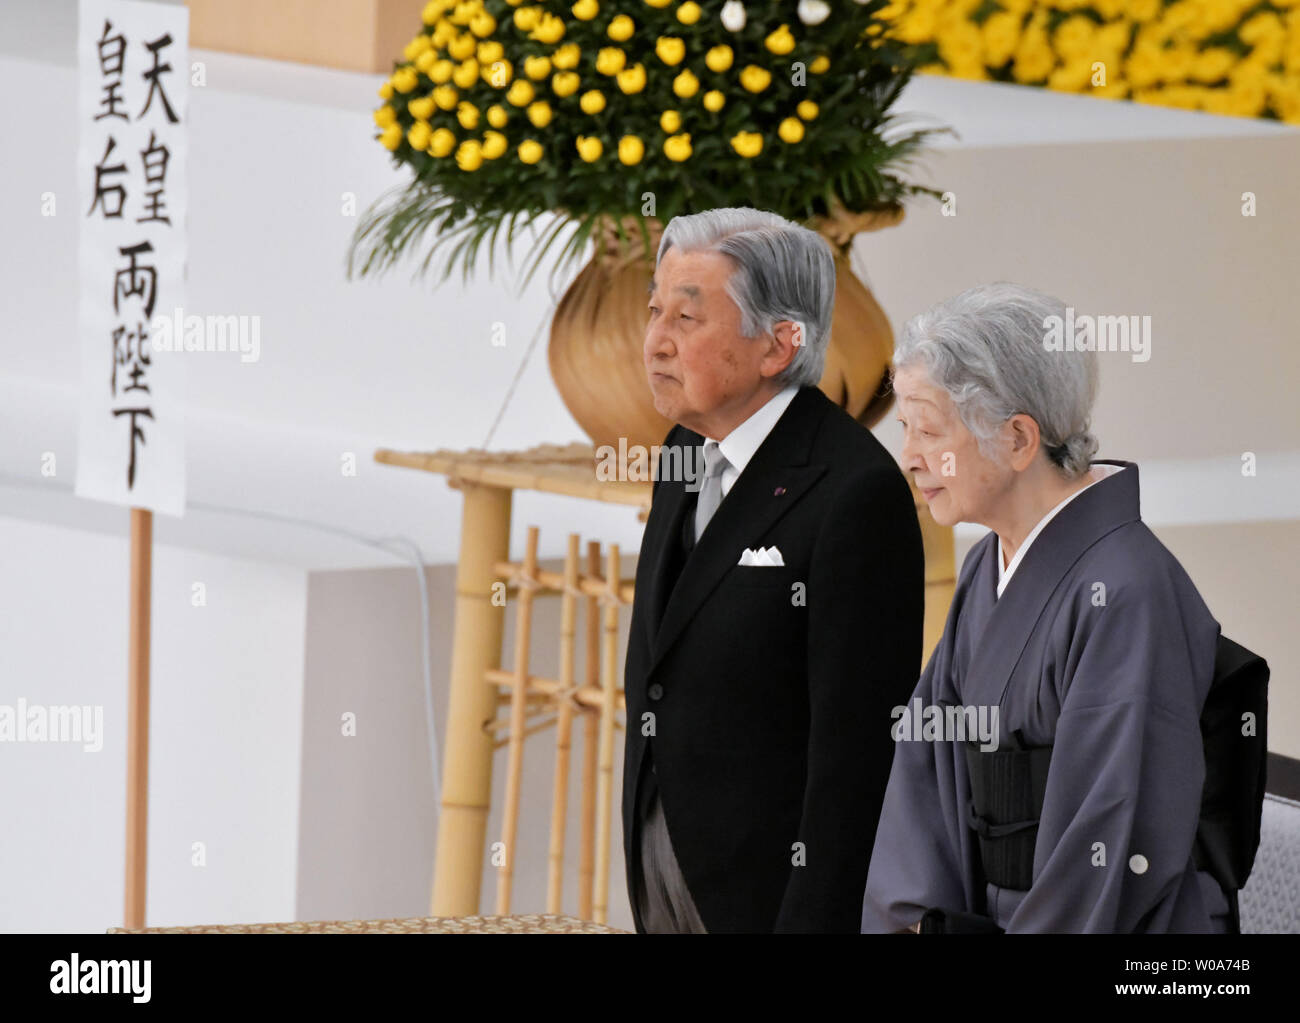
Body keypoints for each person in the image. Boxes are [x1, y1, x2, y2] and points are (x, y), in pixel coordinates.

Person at [861, 281, 1234, 933]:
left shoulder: (1127, 593)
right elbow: (927, 770)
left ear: (1017, 439)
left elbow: (1111, 844)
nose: (910, 457)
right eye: (906, 429)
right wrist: (925, 922)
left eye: (929, 429)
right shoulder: (985, 566)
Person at [622, 207, 925, 933]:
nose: (655, 340)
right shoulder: (681, 451)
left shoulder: (854, 492)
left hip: (768, 893)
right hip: (663, 860)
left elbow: (854, 761)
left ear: (779, 345)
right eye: (654, 309)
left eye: (687, 318)